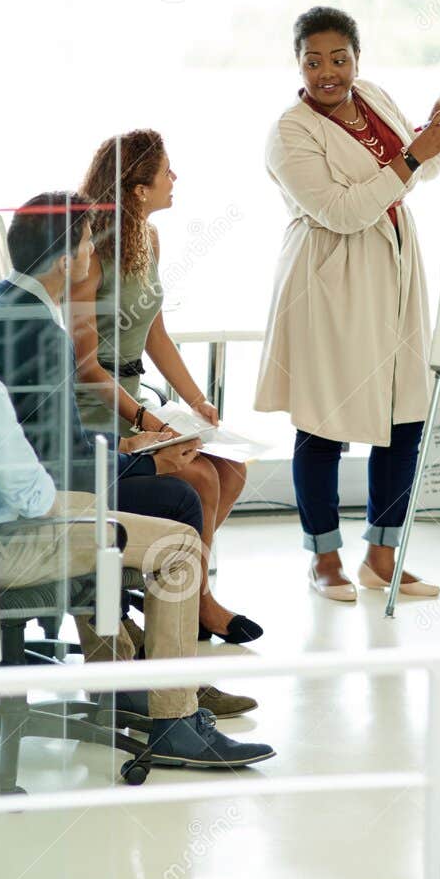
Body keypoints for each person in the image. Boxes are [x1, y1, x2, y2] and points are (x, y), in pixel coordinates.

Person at [0, 220, 272, 768]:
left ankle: (122, 681)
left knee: (105, 516)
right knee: (179, 543)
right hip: (1, 547)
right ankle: (174, 721)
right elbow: (32, 498)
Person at [0, 192, 257, 719]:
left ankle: (122, 663)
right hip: (23, 516)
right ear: (66, 261)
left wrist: (126, 447)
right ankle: (172, 704)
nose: (94, 252)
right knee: (180, 500)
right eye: (89, 242)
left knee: (148, 486)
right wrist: (149, 463)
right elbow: (64, 469)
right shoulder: (41, 333)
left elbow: (41, 439)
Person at [255, 5, 440, 601]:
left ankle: (381, 557)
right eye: (313, 60)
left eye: (339, 58)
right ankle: (323, 558)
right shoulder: (290, 131)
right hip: (330, 279)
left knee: (403, 414)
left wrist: (434, 127)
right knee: (323, 420)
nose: (327, 72)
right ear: (297, 63)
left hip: (395, 270)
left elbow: (422, 172)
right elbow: (342, 210)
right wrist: (411, 155)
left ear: (358, 58)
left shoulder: (374, 97)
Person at [74, 130, 260, 645]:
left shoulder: (148, 238)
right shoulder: (90, 251)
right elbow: (85, 364)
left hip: (136, 398)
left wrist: (197, 399)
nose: (174, 179)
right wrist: (146, 421)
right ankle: (196, 603)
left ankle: (177, 587)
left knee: (231, 469)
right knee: (199, 480)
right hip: (99, 406)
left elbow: (153, 331)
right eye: (166, 171)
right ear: (138, 189)